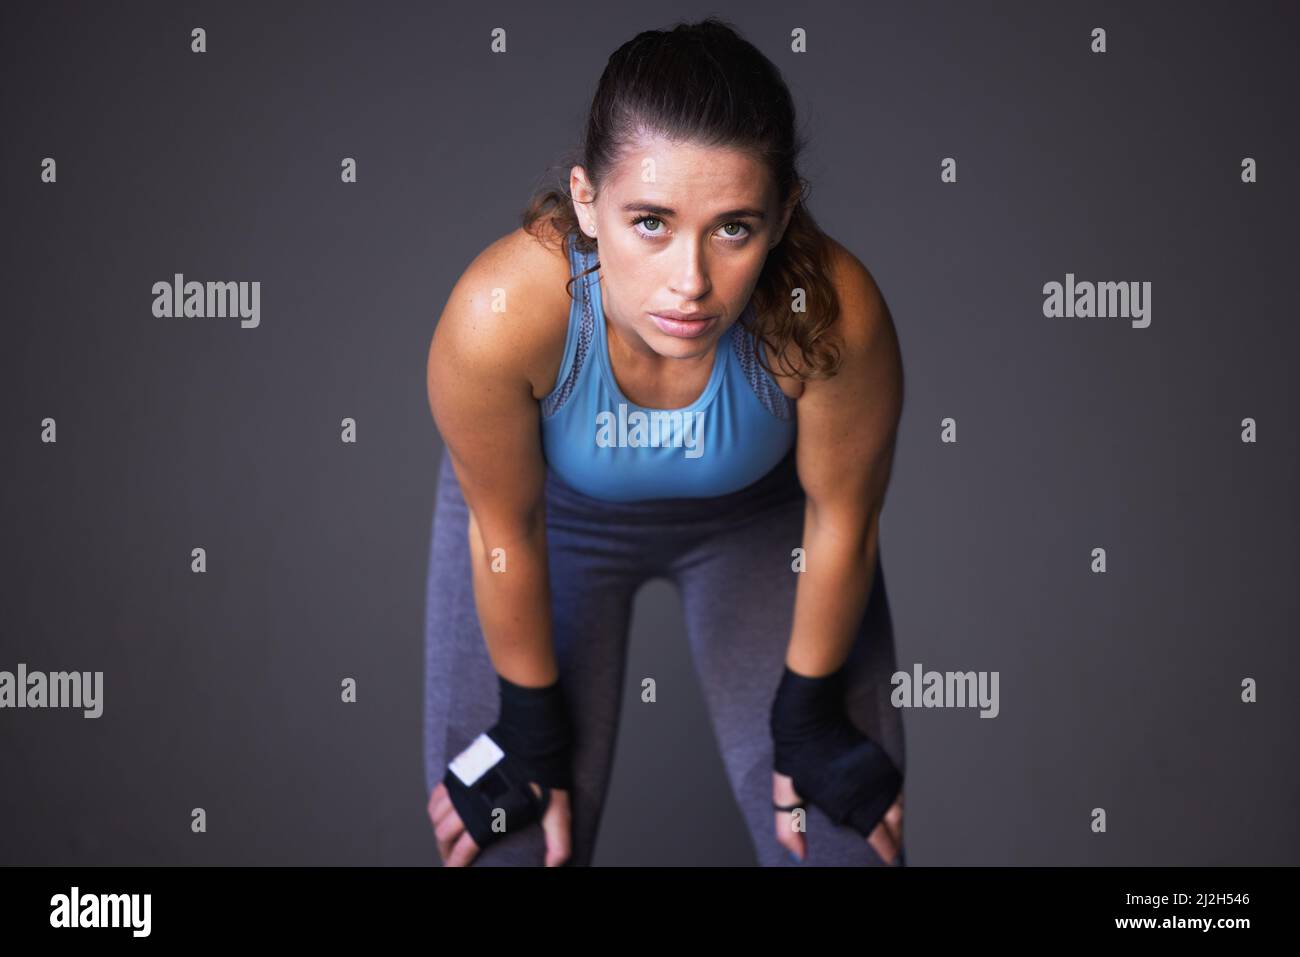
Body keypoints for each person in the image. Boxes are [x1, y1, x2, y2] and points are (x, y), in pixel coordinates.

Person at [423, 17, 906, 867]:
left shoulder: (828, 314)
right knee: (508, 844)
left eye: (733, 228)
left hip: (758, 527)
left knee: (838, 843)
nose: (690, 282)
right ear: (586, 199)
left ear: (784, 211)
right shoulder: (500, 316)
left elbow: (845, 521)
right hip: (547, 526)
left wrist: (807, 714)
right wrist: (530, 730)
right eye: (650, 221)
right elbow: (505, 529)